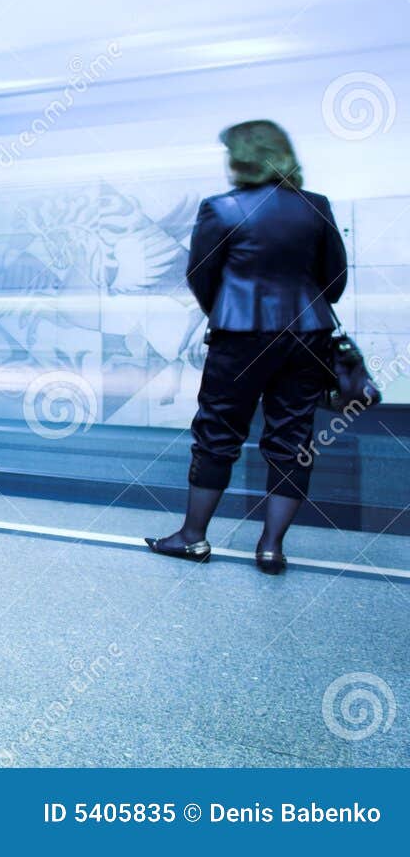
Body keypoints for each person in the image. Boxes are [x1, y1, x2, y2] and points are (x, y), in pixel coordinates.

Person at [147, 120, 348, 574]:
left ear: (241, 158)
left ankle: (192, 538)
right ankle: (271, 548)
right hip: (307, 335)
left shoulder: (221, 209)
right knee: (293, 437)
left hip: (239, 336)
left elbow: (201, 275)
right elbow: (335, 279)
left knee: (218, 432)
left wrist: (229, 309)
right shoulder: (315, 207)